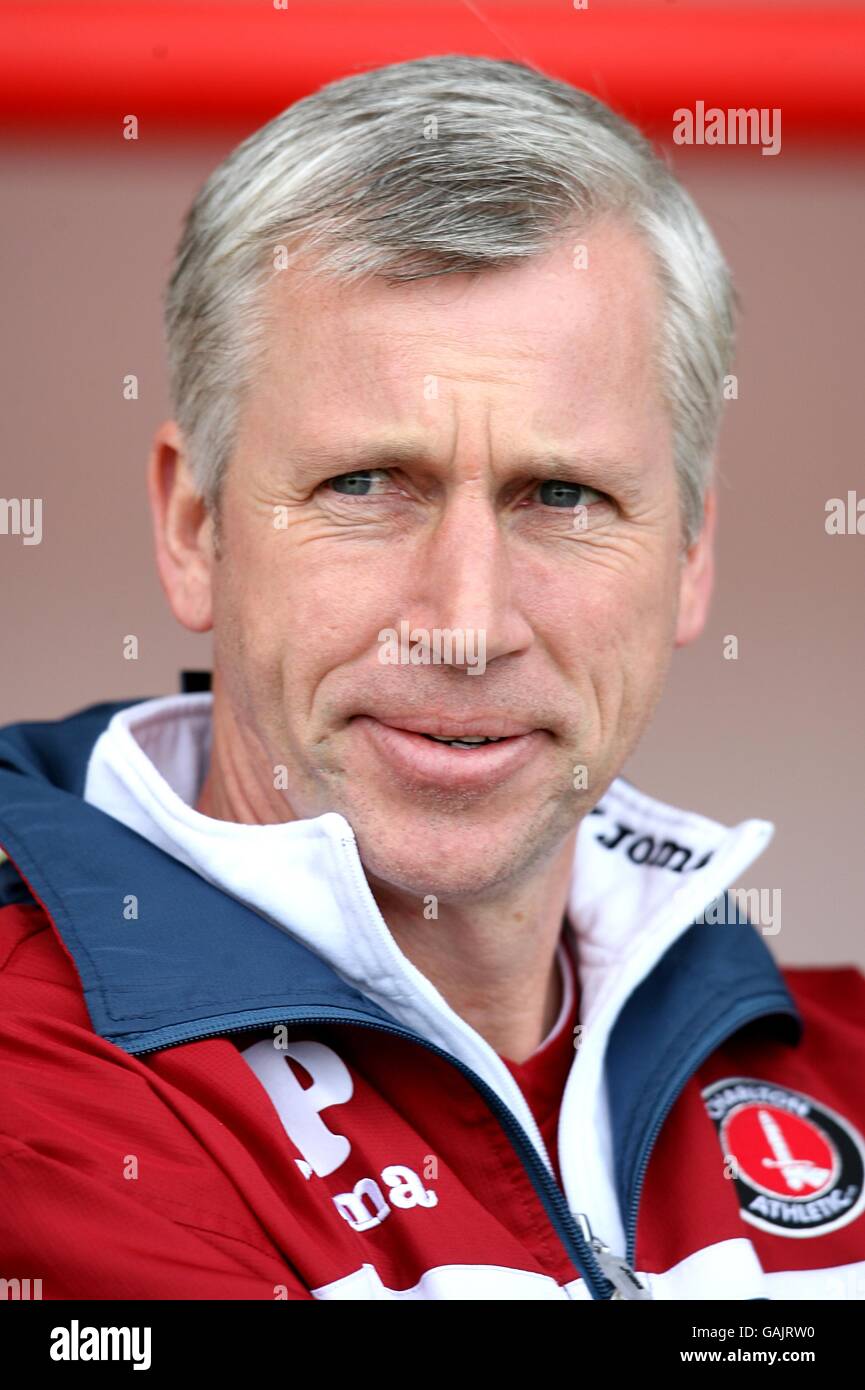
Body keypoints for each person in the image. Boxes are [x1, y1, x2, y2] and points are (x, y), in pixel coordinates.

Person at [1, 55, 863, 1302]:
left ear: (688, 557)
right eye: (364, 487)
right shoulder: (37, 1088)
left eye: (561, 496)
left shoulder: (831, 1053)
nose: (465, 624)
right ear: (195, 527)